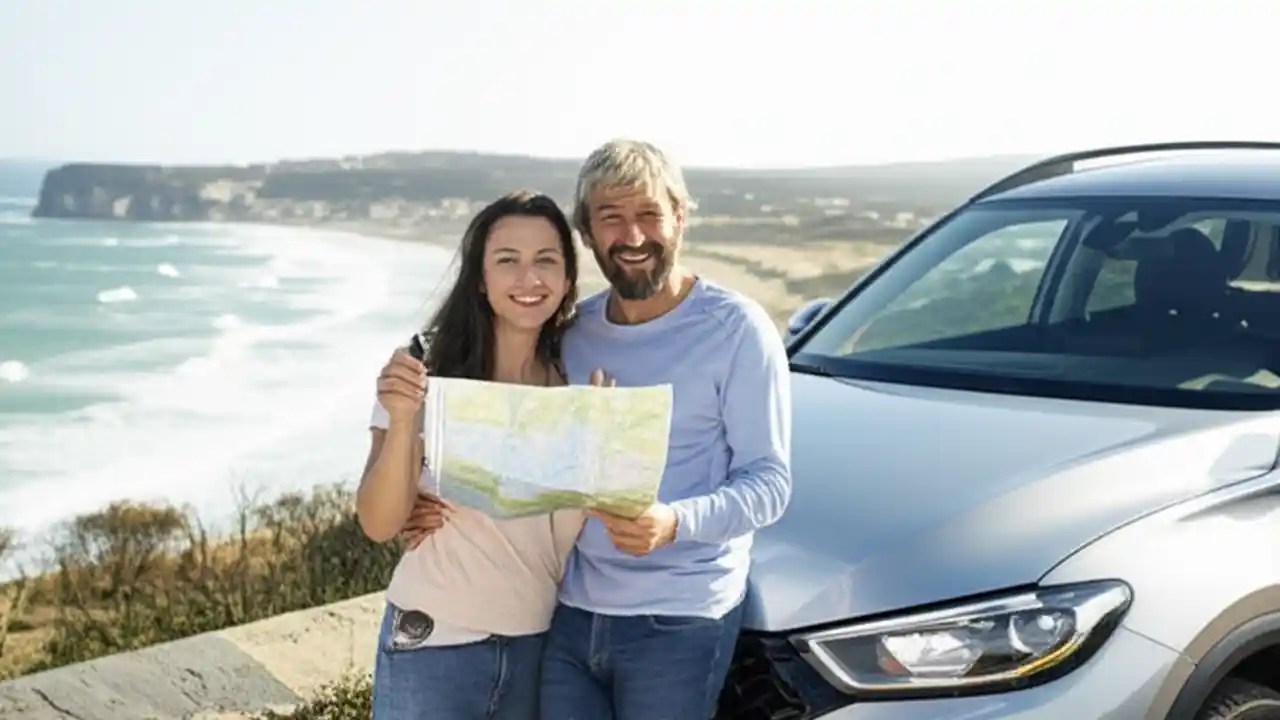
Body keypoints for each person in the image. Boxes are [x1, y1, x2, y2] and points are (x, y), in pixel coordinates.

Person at [540, 138, 793, 719]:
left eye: (649, 215)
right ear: (586, 231)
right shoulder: (573, 334)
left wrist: (673, 523)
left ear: (680, 217)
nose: (632, 238)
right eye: (611, 219)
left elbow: (770, 483)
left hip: (680, 618)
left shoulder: (737, 330)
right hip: (572, 611)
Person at [355, 189, 604, 720]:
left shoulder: (573, 386)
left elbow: (557, 548)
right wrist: (403, 419)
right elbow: (378, 522)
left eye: (546, 261)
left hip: (534, 645)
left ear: (566, 280)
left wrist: (594, 448)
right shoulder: (424, 367)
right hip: (432, 643)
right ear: (480, 277)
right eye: (507, 261)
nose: (528, 279)